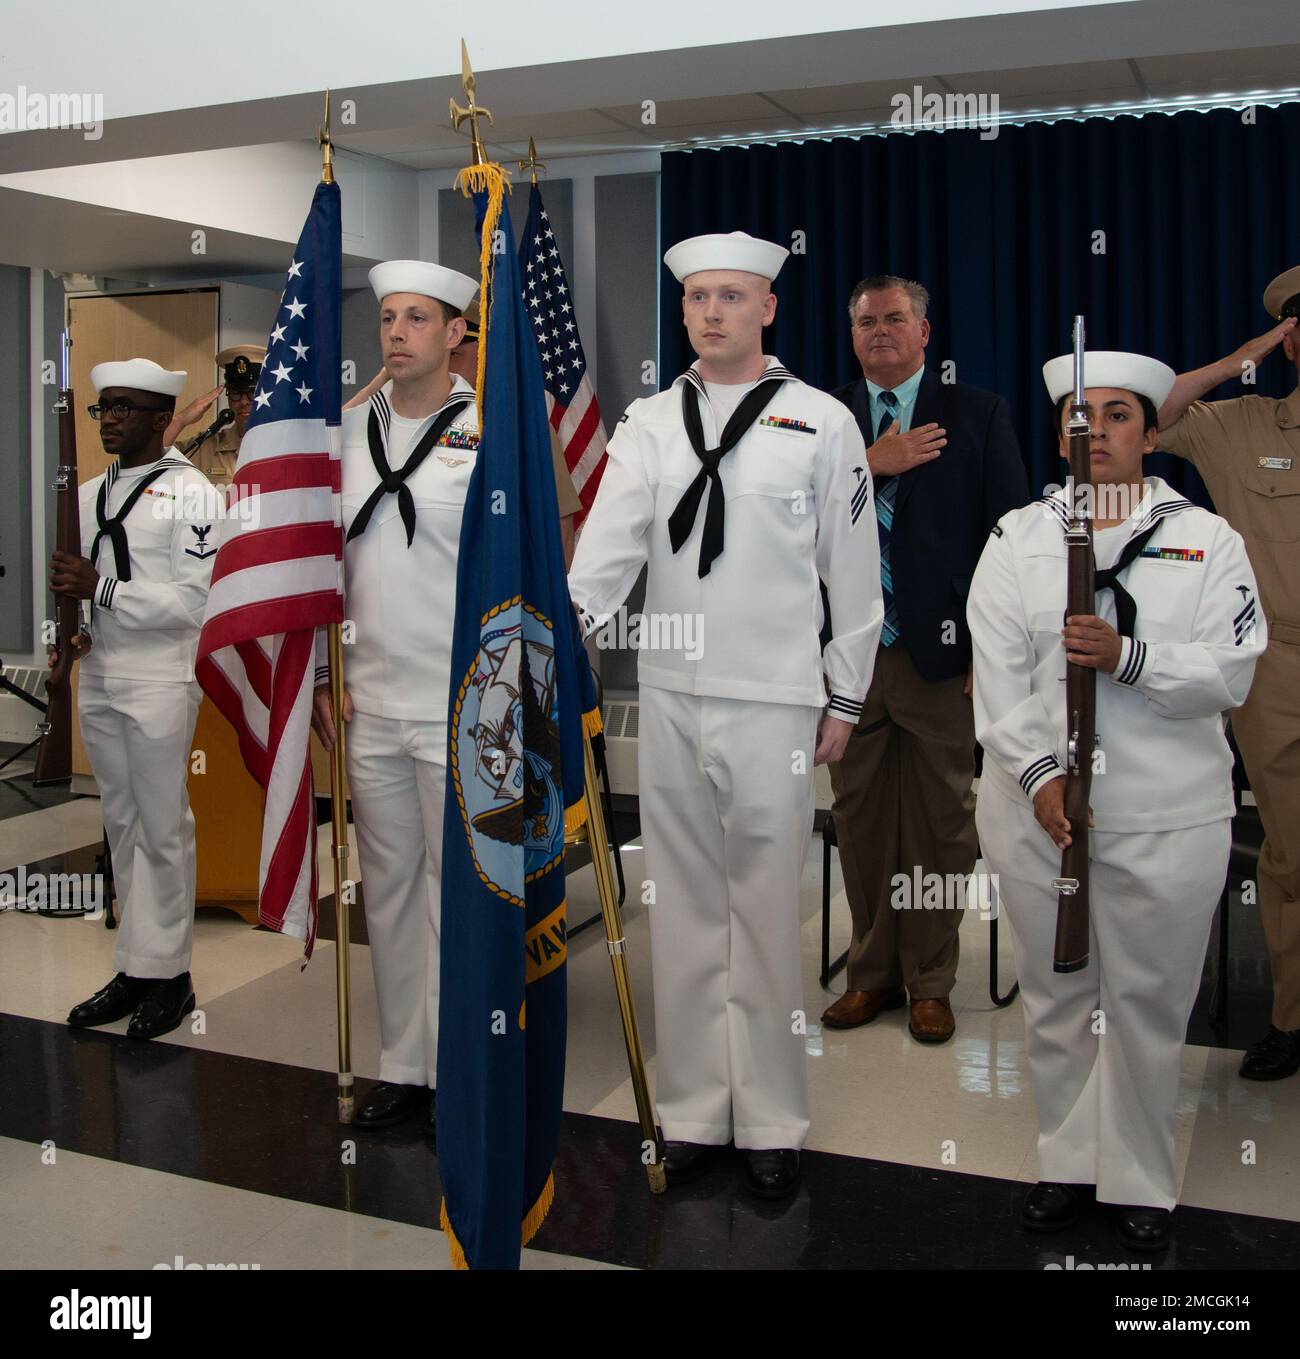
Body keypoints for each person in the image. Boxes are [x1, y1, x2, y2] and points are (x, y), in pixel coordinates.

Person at [568, 231, 882, 1198]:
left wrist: (844, 692)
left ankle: (775, 1118)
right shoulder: (650, 423)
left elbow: (854, 569)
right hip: (668, 694)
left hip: (775, 702)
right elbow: (608, 555)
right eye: (697, 297)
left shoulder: (821, 421)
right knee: (687, 914)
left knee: (764, 914)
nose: (710, 312)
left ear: (768, 309)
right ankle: (699, 1110)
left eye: (731, 297)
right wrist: (548, 643)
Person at [969, 350, 1265, 1251]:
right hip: (1036, 811)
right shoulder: (1016, 538)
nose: (1094, 432)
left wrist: (1131, 658)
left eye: (1117, 415)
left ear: (1150, 431)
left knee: (1147, 999)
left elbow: (1233, 670)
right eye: (1078, 417)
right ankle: (1066, 1159)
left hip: (1165, 813)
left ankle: (1138, 1172)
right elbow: (999, 674)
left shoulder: (1207, 540)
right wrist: (1040, 775)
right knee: (1058, 995)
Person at [823, 275, 1028, 1043]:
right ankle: (870, 973)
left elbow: (1011, 539)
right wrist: (869, 463)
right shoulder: (821, 420)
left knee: (943, 822)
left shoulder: (977, 413)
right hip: (850, 658)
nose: (880, 330)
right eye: (866, 320)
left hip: (944, 655)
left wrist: (995, 644)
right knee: (861, 816)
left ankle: (931, 979)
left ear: (924, 332)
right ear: (852, 335)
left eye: (894, 318)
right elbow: (785, 525)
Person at [311, 259, 479, 1137]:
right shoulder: (340, 437)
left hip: (458, 705)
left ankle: (461, 1061)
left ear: (456, 333)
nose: (398, 331)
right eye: (388, 318)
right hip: (367, 700)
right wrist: (324, 675)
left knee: (457, 890)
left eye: (418, 317)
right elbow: (317, 566)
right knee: (385, 890)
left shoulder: (489, 431)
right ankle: (404, 1063)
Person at [1156, 264, 1300, 1081]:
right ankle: (1292, 1017)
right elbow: (1150, 415)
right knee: (1291, 853)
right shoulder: (1246, 423)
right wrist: (1242, 356)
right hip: (1279, 666)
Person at [54, 358, 218, 1040]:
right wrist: (79, 629)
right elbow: (78, 590)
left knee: (161, 824)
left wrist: (102, 590)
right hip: (102, 674)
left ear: (160, 417)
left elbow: (195, 601)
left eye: (124, 407)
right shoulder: (88, 492)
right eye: (102, 408)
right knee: (119, 820)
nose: (110, 418)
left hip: (160, 677)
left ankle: (171, 975)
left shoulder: (193, 494)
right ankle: (135, 964)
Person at [347, 298, 583, 565]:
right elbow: (323, 444)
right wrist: (383, 378)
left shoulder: (513, 430)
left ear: (485, 353)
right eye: (388, 319)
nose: (445, 366)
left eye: (455, 355)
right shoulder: (378, 422)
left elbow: (557, 535)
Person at [163, 344, 267, 485]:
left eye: (252, 392)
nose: (243, 402)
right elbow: (149, 462)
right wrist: (180, 420)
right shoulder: (208, 447)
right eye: (236, 393)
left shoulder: (285, 447)